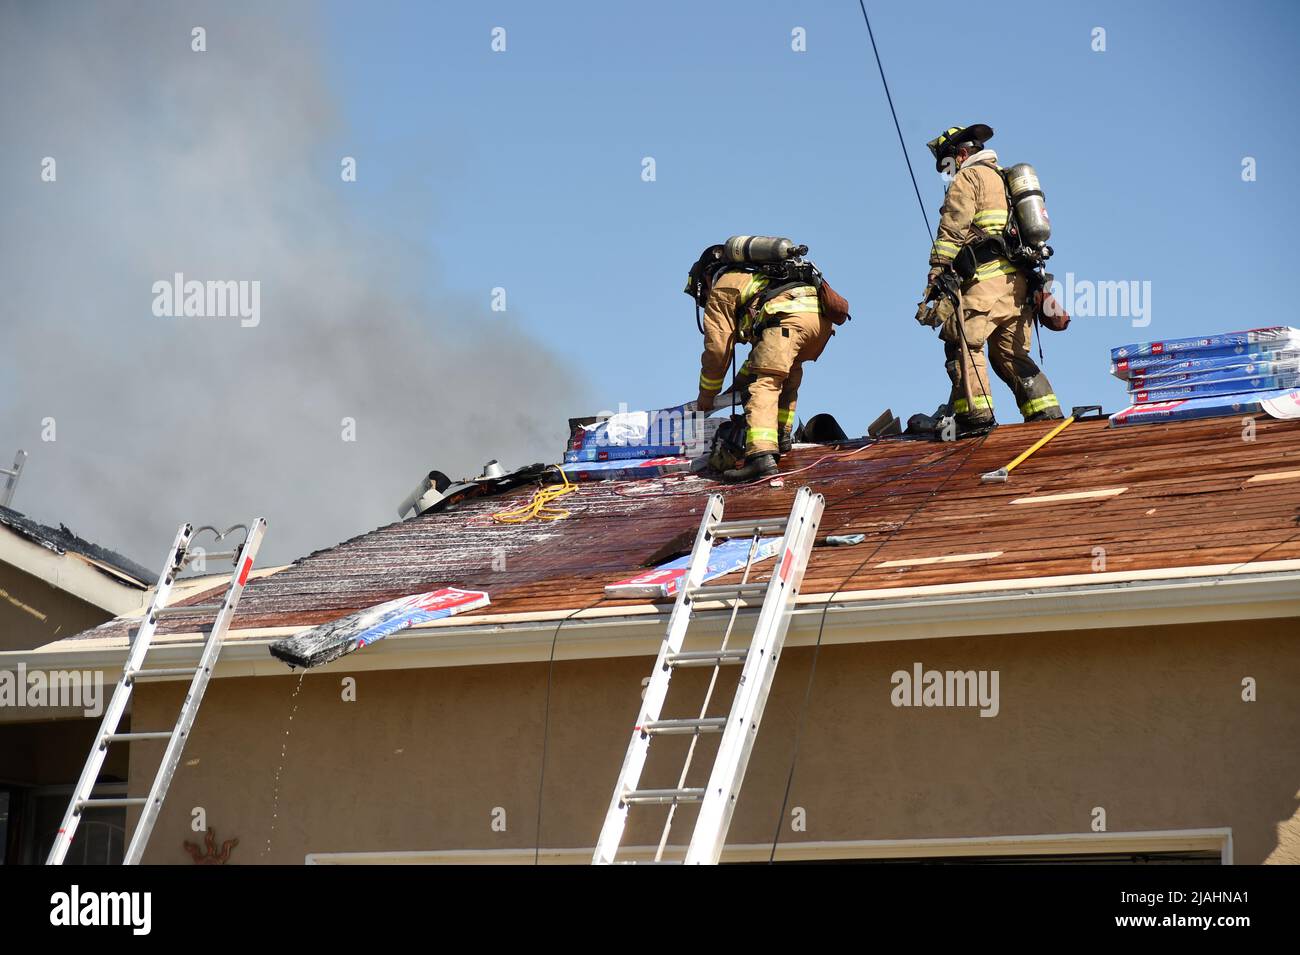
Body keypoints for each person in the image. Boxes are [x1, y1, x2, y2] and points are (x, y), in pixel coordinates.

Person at [921, 124, 1063, 436]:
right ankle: (1046, 413)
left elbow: (952, 229)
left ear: (961, 154)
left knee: (963, 342)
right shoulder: (1003, 177)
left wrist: (936, 271)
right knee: (1009, 353)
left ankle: (976, 417)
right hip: (1018, 287)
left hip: (985, 283)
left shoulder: (968, 177)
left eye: (947, 163)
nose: (946, 172)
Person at [686, 244, 835, 481]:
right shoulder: (757, 277)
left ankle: (761, 457)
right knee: (787, 372)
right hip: (820, 322)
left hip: (787, 321)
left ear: (706, 277)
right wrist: (735, 388)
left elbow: (717, 350)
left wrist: (707, 397)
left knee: (764, 383)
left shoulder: (724, 287)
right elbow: (759, 357)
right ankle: (781, 437)